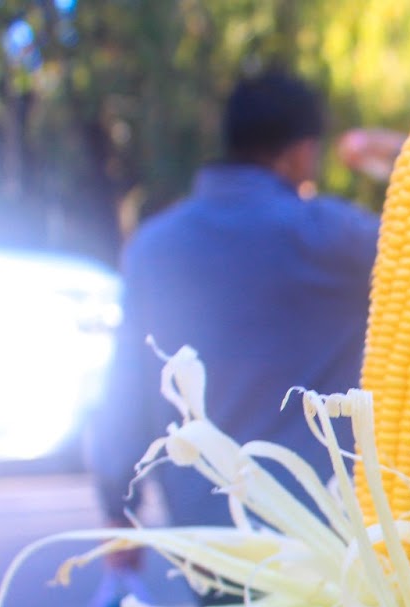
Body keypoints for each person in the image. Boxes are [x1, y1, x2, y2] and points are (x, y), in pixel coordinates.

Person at [91, 70, 386, 578]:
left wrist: (118, 509)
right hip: (326, 543)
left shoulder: (153, 246)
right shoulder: (333, 236)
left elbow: (127, 389)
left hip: (208, 541)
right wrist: (403, 153)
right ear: (301, 153)